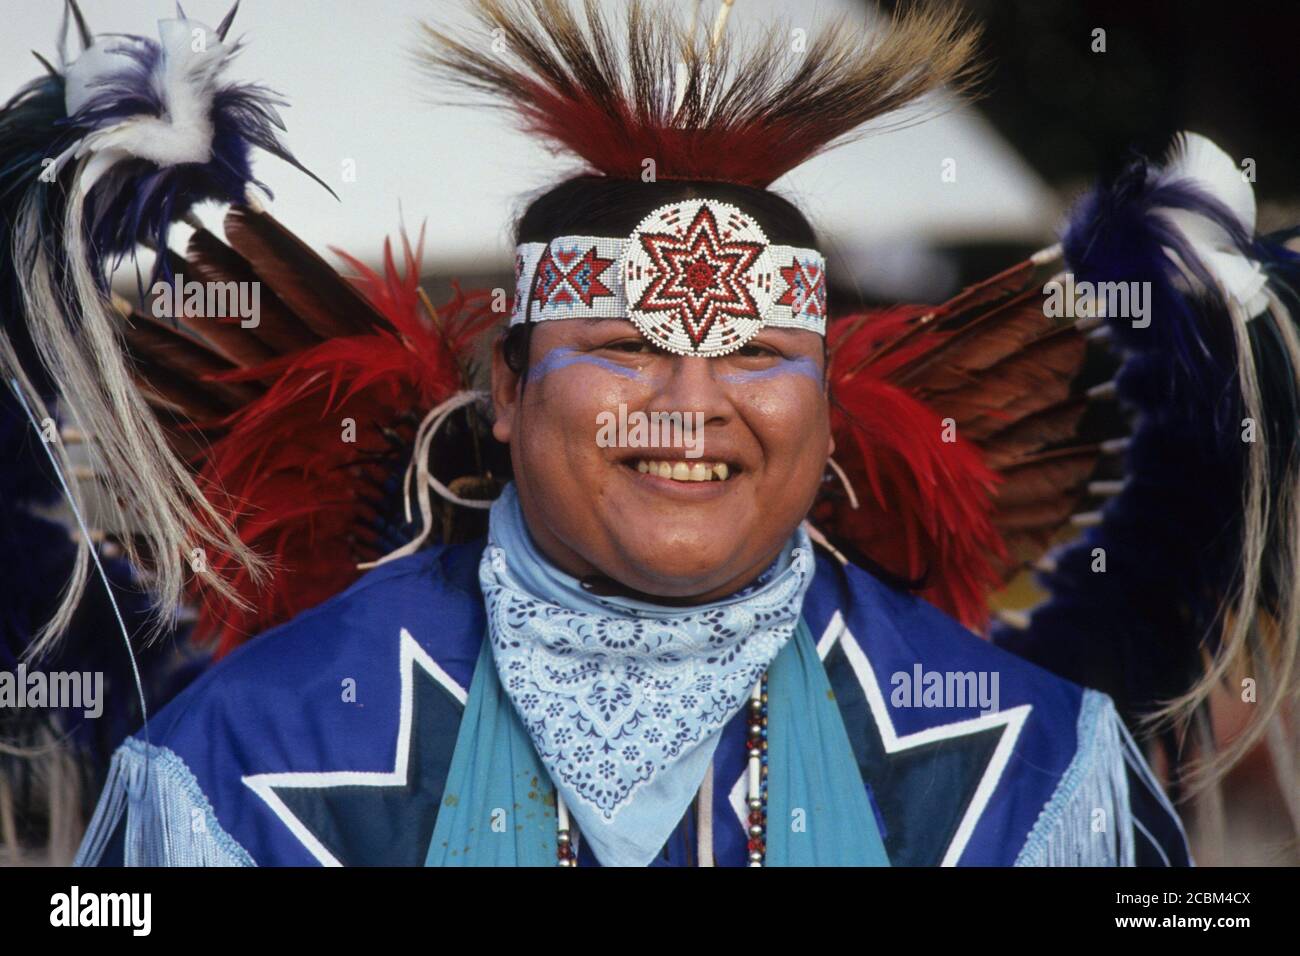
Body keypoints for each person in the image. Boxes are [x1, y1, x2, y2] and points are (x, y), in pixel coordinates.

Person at [7, 2, 1297, 867]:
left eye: (754, 352)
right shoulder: (251, 756)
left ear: (831, 402)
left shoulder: (1024, 769)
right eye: (624, 346)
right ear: (506, 395)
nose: (692, 403)